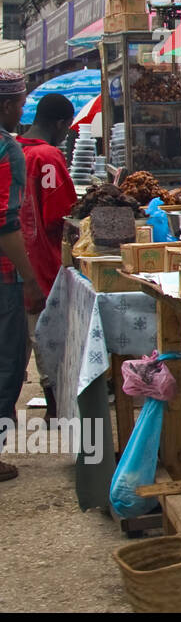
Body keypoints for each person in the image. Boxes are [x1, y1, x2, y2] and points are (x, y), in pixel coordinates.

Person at [17, 93, 76, 419]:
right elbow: (61, 215)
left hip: (15, 263)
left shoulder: (15, 151)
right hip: (42, 264)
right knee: (49, 339)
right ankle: (56, 404)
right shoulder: (48, 157)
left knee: (17, 348)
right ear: (59, 123)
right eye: (67, 127)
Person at [0, 71, 42, 484]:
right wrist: (29, 278)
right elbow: (5, 223)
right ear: (10, 105)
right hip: (2, 276)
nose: (22, 110)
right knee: (7, 363)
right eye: (19, 103)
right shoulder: (7, 148)